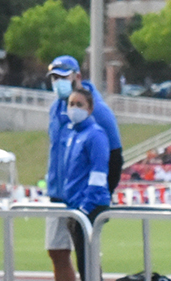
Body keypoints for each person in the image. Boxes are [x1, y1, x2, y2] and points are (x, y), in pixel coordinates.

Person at [35, 86, 112, 281]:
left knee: (89, 264)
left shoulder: (96, 135)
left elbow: (99, 175)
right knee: (81, 262)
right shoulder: (70, 134)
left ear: (90, 109)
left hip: (88, 207)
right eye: (71, 104)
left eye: (79, 104)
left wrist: (85, 207)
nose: (73, 108)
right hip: (74, 206)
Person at [47, 55, 124, 193]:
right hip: (57, 194)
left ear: (77, 77)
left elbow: (115, 156)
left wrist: (98, 198)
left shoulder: (99, 110)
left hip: (83, 197)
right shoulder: (55, 108)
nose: (58, 82)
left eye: (63, 77)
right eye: (55, 78)